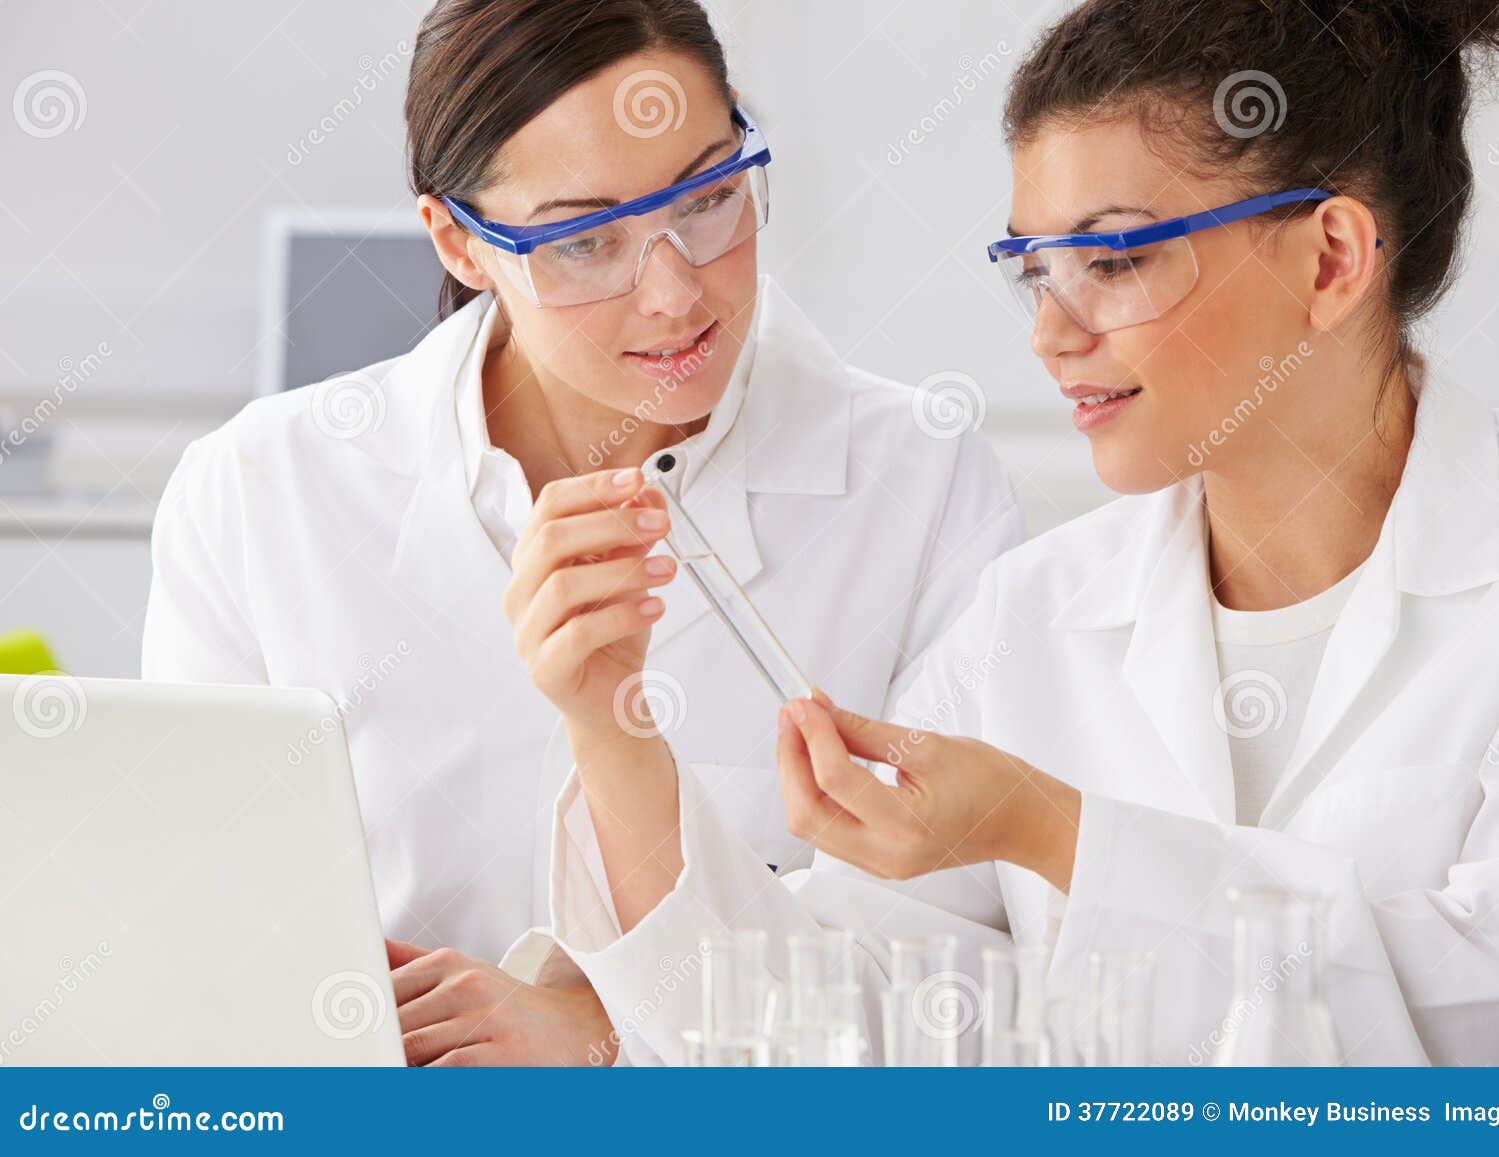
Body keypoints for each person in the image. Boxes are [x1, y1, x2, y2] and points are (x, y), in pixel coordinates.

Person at [527, 0, 1499, 1064]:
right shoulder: (1032, 615)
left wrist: (1053, 831)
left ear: (1328, 259)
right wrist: (609, 729)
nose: (1049, 331)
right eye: (1035, 268)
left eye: (1115, 261)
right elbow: (826, 1034)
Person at [142, 0, 1022, 1065]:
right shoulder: (259, 493)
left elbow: (968, 986)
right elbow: (197, 951)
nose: (675, 291)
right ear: (458, 240)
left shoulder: (922, 481)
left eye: (707, 196)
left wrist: (605, 1026)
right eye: (584, 240)